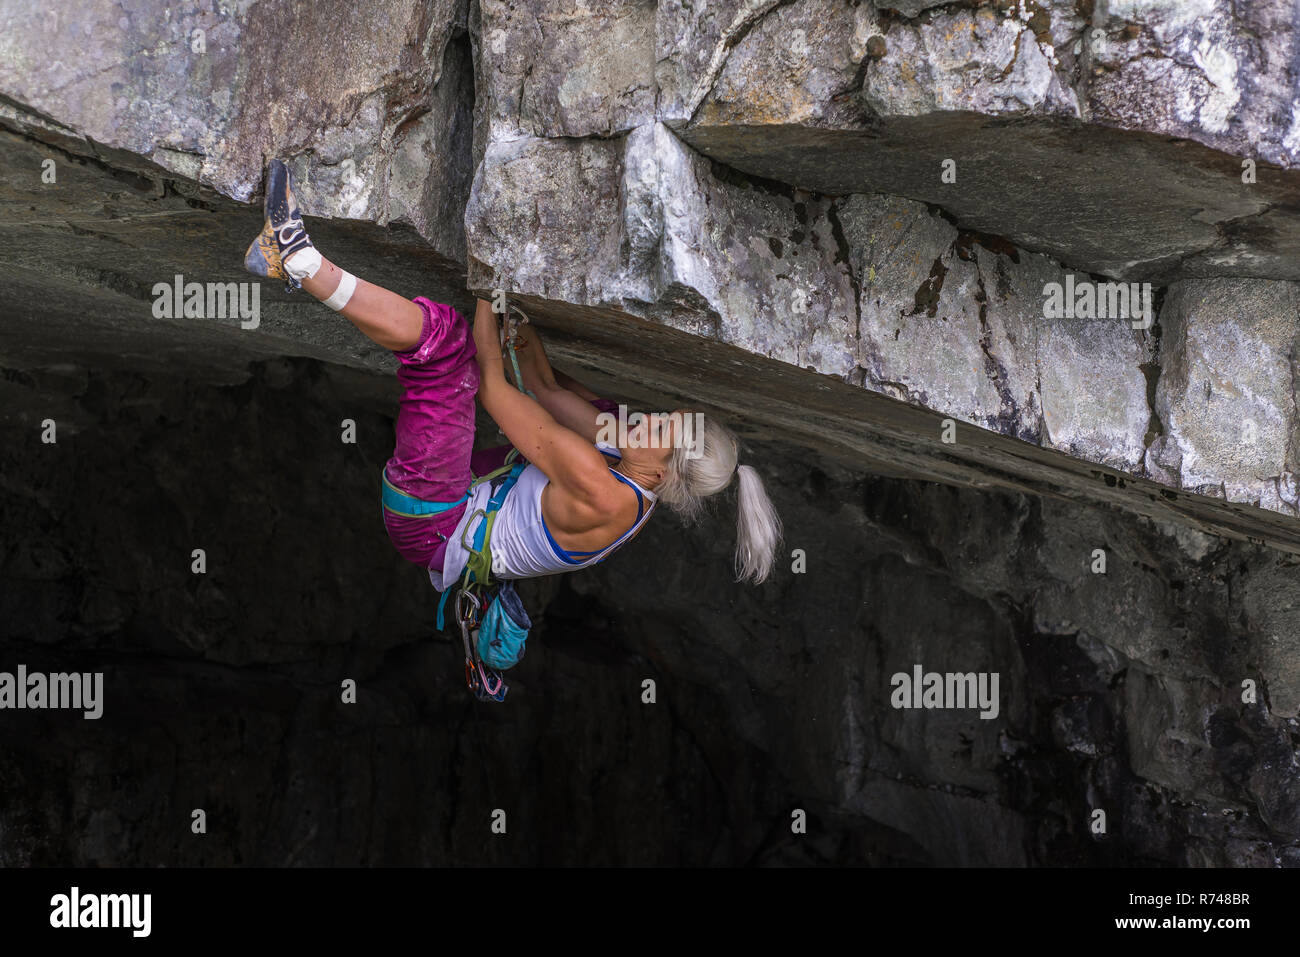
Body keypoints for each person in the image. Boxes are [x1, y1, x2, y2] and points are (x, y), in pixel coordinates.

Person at [243, 160, 782, 596]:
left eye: (657, 431)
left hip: (434, 525)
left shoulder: (604, 491)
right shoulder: (635, 452)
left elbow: (498, 391)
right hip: (475, 495)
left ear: (661, 477)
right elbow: (545, 390)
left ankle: (294, 257)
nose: (647, 420)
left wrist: (487, 287)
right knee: (475, 355)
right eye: (663, 416)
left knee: (449, 354)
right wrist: (516, 330)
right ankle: (297, 259)